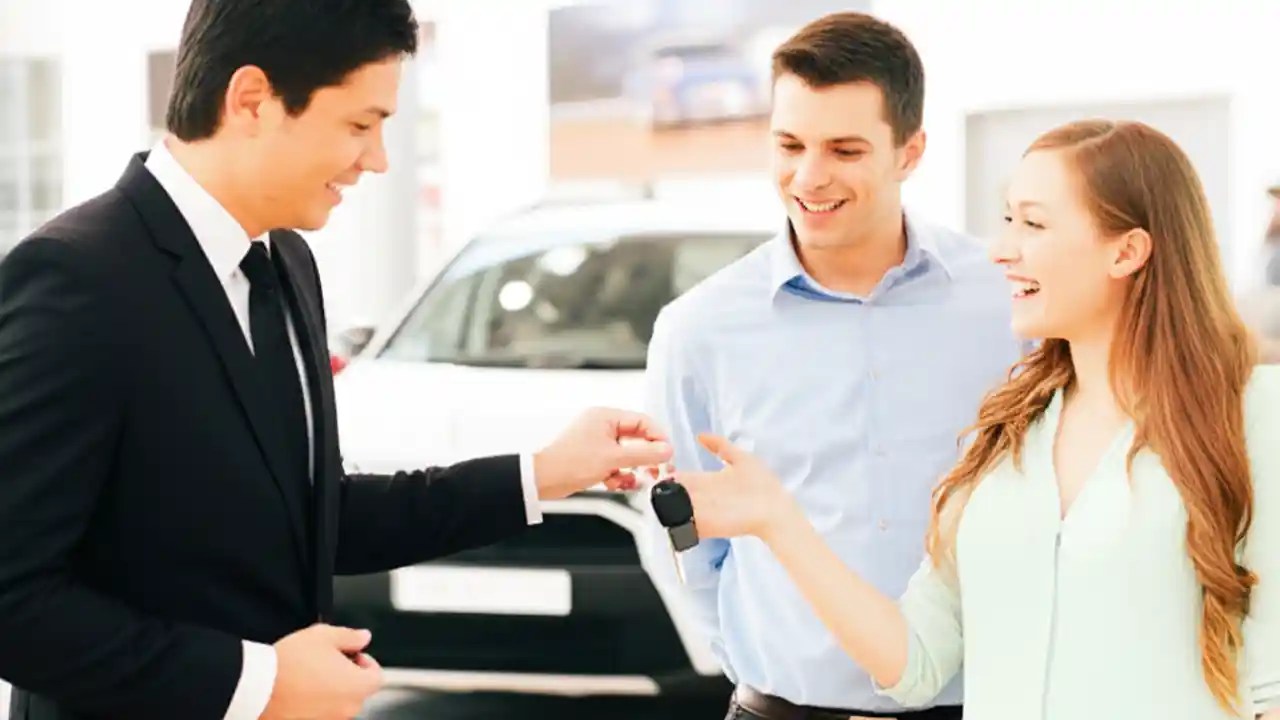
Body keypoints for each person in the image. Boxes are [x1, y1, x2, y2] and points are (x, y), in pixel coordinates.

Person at [0, 2, 671, 719]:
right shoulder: (77, 278)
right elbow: (12, 597)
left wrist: (543, 473)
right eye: (360, 124)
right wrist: (254, 683)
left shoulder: (287, 262)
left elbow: (317, 513)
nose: (378, 158)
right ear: (252, 100)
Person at [676, 119, 1280, 720]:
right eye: (1008, 219)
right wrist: (779, 522)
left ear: (1127, 251)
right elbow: (913, 665)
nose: (1001, 249)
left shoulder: (1254, 414)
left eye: (1034, 224)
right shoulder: (1010, 430)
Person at [640, 12, 1022, 720]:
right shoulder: (699, 330)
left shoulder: (1009, 303)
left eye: (845, 149)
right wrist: (761, 663)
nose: (809, 177)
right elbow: (689, 538)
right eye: (789, 144)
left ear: (910, 152)